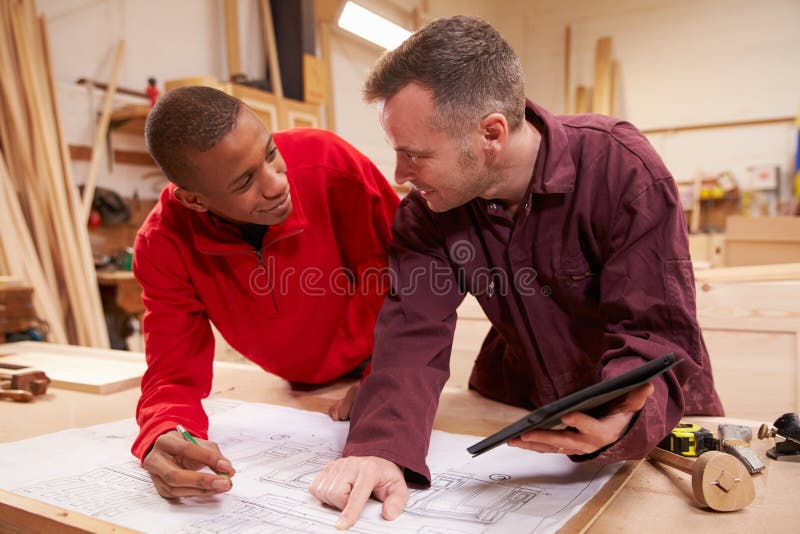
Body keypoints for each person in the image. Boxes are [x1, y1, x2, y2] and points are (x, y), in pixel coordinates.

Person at [309, 15, 724, 529]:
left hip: (660, 420)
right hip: (524, 406)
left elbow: (655, 331)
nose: (399, 176)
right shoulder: (427, 213)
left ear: (491, 133)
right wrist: (379, 448)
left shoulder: (620, 168)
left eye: (415, 155)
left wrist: (623, 418)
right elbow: (411, 335)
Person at [132, 86, 399, 498]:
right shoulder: (162, 244)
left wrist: (384, 376)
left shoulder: (331, 162)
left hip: (378, 362)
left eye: (271, 152)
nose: (276, 184)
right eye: (244, 182)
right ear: (195, 200)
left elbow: (403, 279)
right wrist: (167, 428)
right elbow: (172, 372)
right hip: (296, 391)